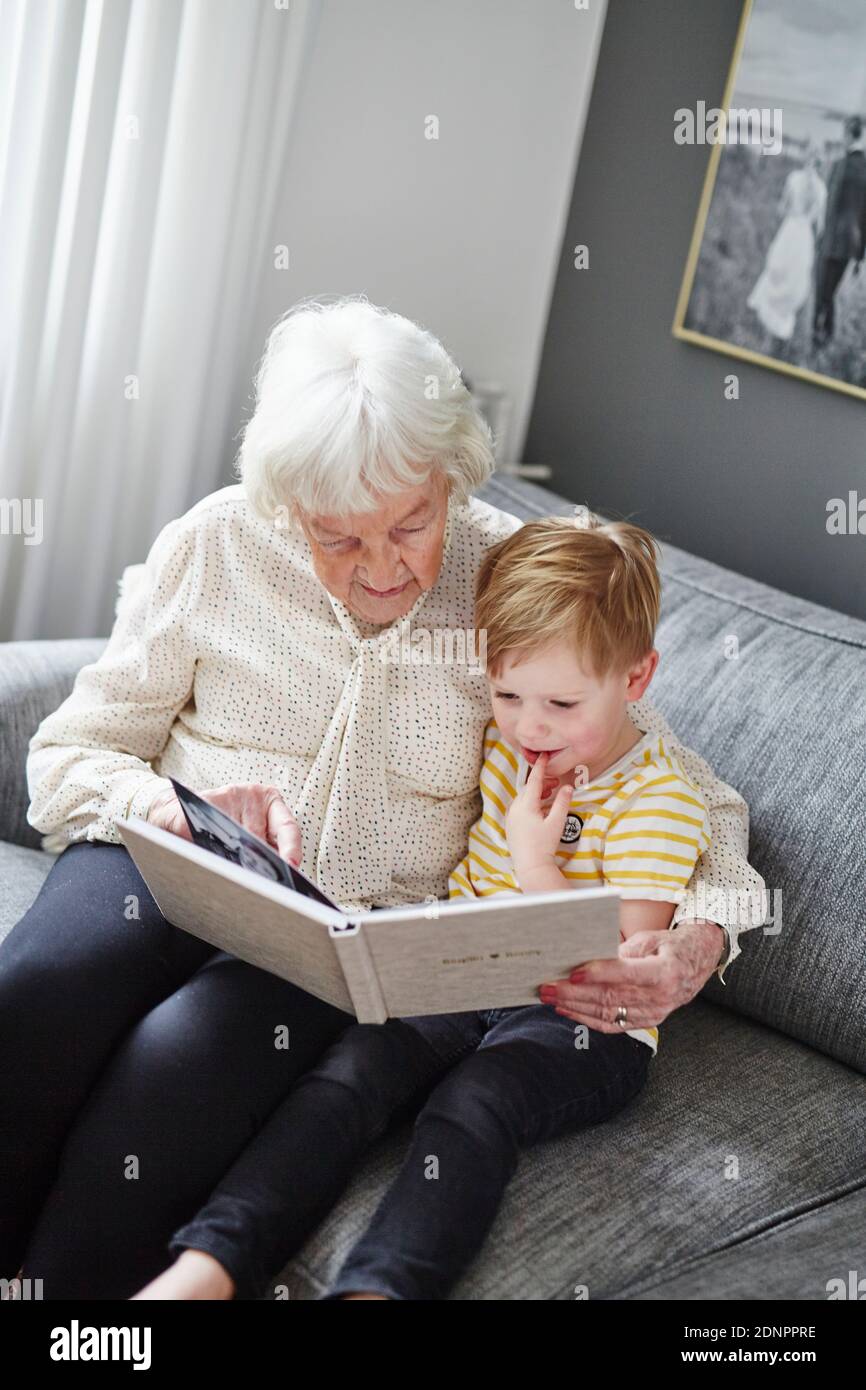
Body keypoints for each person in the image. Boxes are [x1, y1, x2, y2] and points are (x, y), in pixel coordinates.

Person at [0, 296, 764, 1300]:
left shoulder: (512, 582)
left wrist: (698, 940)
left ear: (451, 475)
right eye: (335, 538)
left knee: (167, 1082)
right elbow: (71, 748)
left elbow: (695, 801)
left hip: (327, 941)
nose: (379, 569)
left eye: (408, 524)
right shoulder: (217, 545)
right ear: (284, 503)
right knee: (36, 993)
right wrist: (164, 809)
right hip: (163, 859)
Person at [132, 513, 717, 1301]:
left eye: (561, 703)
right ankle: (212, 1266)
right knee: (345, 1076)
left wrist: (534, 861)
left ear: (636, 681)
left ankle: (379, 1289)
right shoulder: (511, 744)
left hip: (582, 1022)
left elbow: (615, 966)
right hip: (462, 976)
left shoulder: (660, 801)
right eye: (506, 693)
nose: (529, 727)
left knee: (473, 1105)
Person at [747, 141, 827, 357]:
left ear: (806, 156)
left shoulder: (793, 179)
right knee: (793, 282)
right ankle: (780, 334)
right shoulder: (821, 189)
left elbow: (782, 208)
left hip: (789, 230)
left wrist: (792, 214)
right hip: (803, 238)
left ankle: (765, 332)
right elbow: (820, 228)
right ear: (821, 163)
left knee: (776, 274)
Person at [812, 115, 866, 349]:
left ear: (847, 134)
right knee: (829, 293)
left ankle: (817, 341)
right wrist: (860, 256)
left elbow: (831, 207)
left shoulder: (840, 166)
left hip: (833, 240)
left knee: (821, 293)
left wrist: (820, 238)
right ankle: (827, 338)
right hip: (850, 245)